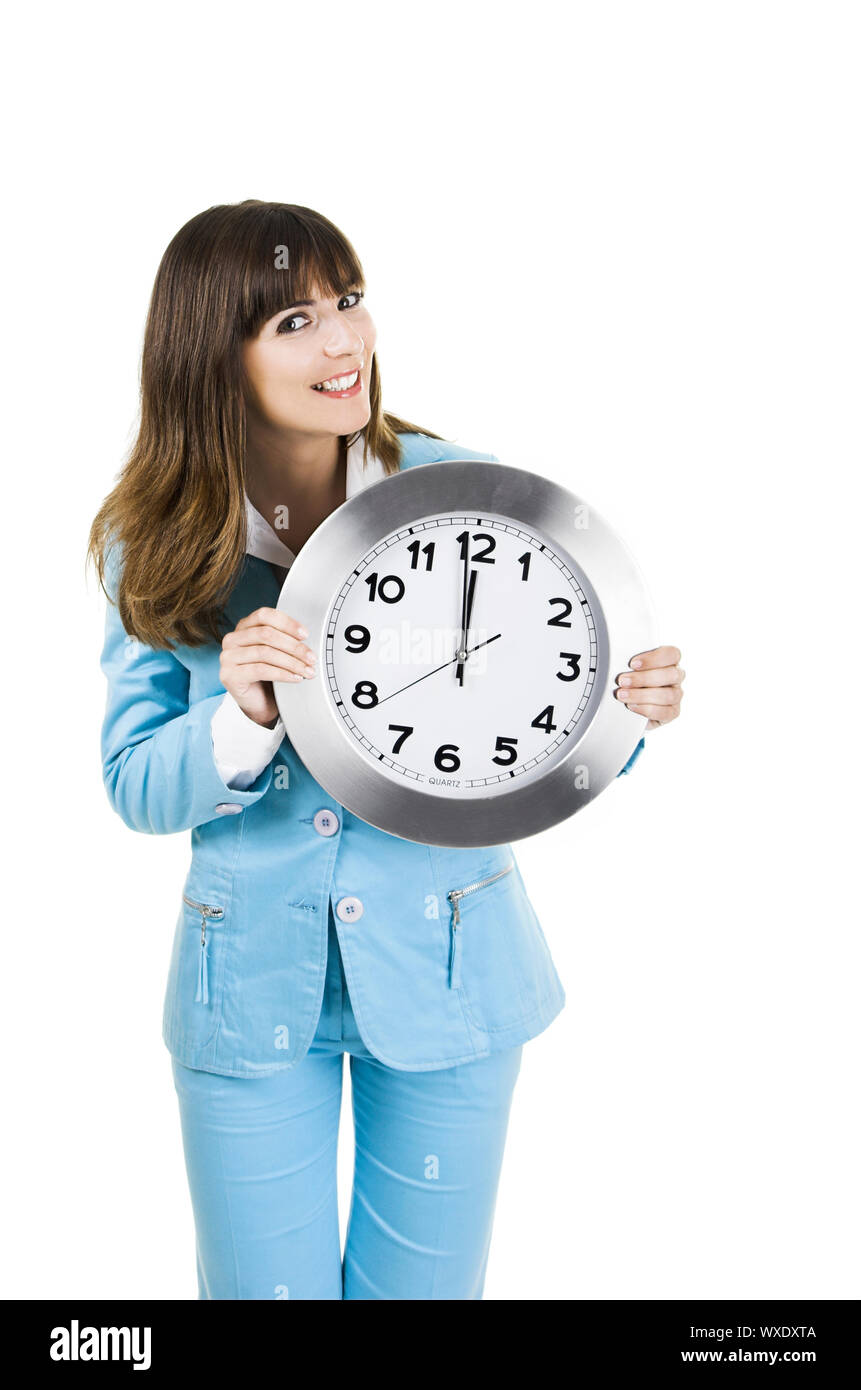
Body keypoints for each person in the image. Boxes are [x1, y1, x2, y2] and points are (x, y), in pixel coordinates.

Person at [87, 200, 685, 1300]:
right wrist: (243, 715)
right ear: (209, 354)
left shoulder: (456, 485)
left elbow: (533, 713)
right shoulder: (153, 531)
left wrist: (625, 711)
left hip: (450, 973)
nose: (344, 341)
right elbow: (134, 784)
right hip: (249, 989)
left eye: (350, 302)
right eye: (294, 321)